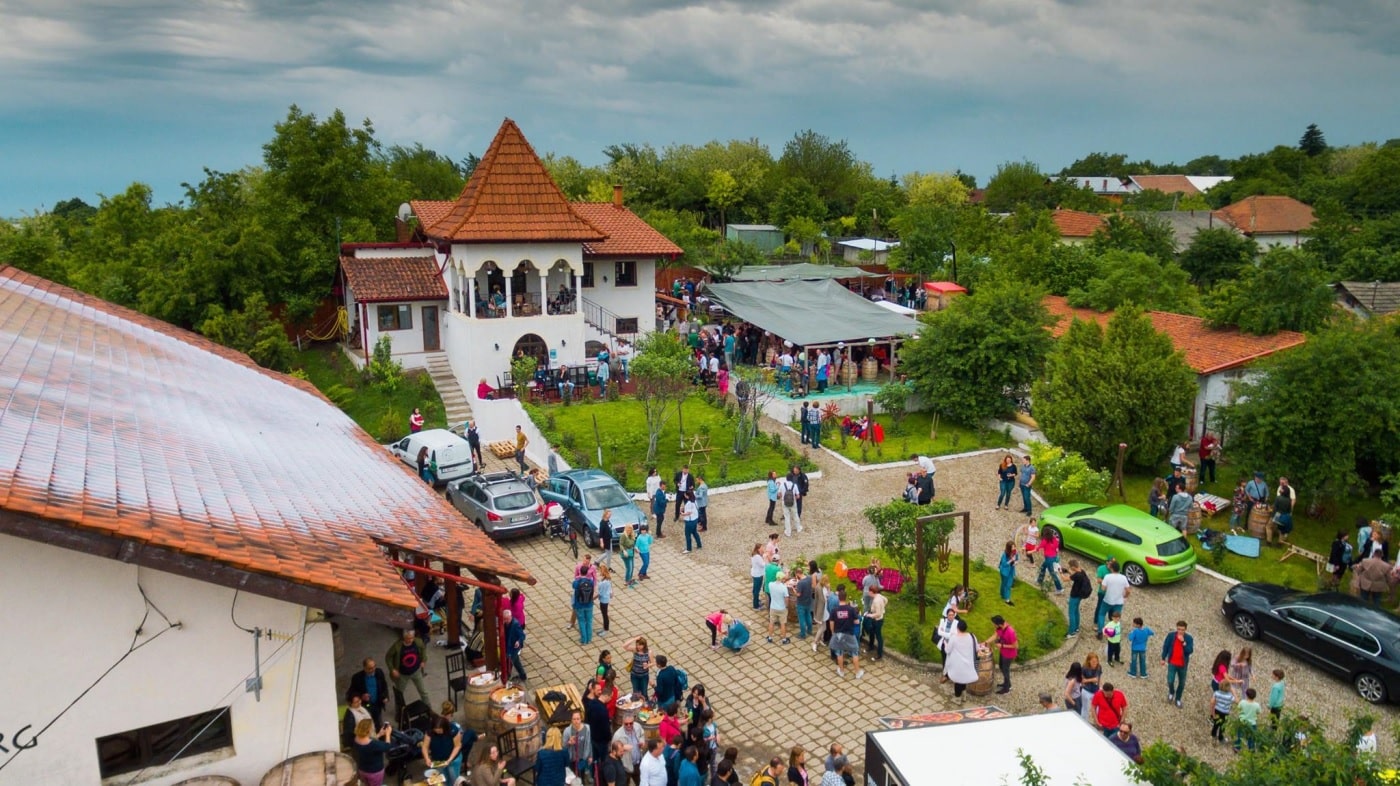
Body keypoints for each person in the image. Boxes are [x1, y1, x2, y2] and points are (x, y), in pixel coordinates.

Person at [386, 629, 430, 707]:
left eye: (412, 638)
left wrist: (423, 660)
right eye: (408, 638)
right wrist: (392, 669)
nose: (410, 640)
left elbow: (423, 649)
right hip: (402, 674)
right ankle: (400, 713)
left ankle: (429, 709)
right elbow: (388, 657)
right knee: (399, 694)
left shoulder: (418, 642)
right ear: (404, 637)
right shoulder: (397, 646)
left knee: (423, 691)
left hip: (416, 671)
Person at [829, 586, 863, 679]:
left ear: (838, 598)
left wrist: (832, 632)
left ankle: (842, 671)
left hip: (838, 634)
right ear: (846, 598)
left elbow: (831, 623)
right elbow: (856, 621)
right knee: (854, 652)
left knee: (839, 653)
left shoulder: (834, 610)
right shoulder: (851, 609)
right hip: (849, 634)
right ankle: (857, 672)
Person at [942, 619, 978, 705]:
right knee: (963, 679)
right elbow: (976, 648)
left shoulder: (954, 638)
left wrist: (945, 644)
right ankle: (964, 695)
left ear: (957, 628)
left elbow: (948, 650)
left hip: (958, 665)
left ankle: (957, 699)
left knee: (958, 681)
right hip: (968, 663)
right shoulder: (972, 636)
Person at [424, 712, 465, 786]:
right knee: (442, 779)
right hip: (438, 761)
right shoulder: (430, 731)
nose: (437, 732)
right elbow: (425, 746)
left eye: (439, 730)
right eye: (435, 730)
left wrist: (450, 759)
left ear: (445, 727)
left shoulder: (453, 729)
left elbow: (458, 746)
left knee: (454, 780)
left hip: (453, 760)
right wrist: (427, 758)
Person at [351, 718, 394, 786]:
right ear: (368, 731)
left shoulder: (356, 739)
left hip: (362, 770)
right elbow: (387, 747)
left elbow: (369, 741)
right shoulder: (374, 745)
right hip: (375, 773)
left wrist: (379, 734)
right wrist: (388, 734)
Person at [1161, 620, 1194, 708]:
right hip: (1172, 663)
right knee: (1170, 680)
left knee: (1182, 683)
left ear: (1185, 629)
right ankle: (1171, 692)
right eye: (1179, 629)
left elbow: (1190, 651)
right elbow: (1166, 646)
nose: (1180, 631)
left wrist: (1183, 642)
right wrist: (1163, 657)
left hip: (1183, 665)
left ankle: (1178, 698)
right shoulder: (1171, 636)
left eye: (1182, 630)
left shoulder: (1189, 638)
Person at [348, 657, 390, 727]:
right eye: (370, 668)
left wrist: (385, 696)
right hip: (365, 706)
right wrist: (361, 696)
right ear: (364, 668)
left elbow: (384, 686)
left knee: (378, 723)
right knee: (367, 724)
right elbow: (351, 693)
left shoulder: (379, 672)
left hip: (377, 704)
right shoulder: (357, 678)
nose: (373, 670)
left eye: (374, 667)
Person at [985, 615, 1017, 694]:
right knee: (1001, 666)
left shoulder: (1010, 632)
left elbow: (1015, 646)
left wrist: (1002, 645)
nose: (993, 625)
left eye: (994, 624)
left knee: (1005, 670)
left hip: (1009, 654)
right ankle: (1007, 683)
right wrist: (986, 642)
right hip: (1003, 652)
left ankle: (1007, 688)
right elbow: (995, 636)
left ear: (999, 624)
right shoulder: (1000, 628)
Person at [563, 711, 593, 784]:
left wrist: (590, 756)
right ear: (571, 720)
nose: (576, 721)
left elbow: (589, 743)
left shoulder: (587, 728)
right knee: (573, 777)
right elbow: (563, 746)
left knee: (581, 776)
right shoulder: (567, 731)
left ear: (581, 719)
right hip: (572, 759)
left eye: (578, 719)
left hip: (582, 758)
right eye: (574, 719)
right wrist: (569, 743)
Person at [1066, 560, 1092, 638]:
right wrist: (1068, 572)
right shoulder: (1082, 572)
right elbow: (1074, 577)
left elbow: (1065, 579)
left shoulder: (1077, 575)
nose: (1070, 568)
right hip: (1080, 595)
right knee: (1076, 611)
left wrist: (1060, 572)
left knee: (1071, 613)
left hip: (1074, 595)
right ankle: (1077, 628)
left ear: (1073, 567)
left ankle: (1071, 632)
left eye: (1070, 567)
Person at [575, 563, 598, 646]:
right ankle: (589, 638)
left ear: (580, 572)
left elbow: (573, 586)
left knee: (581, 621)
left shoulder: (577, 582)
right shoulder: (591, 582)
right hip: (589, 604)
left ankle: (583, 640)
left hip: (579, 605)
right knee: (589, 621)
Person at [863, 585, 887, 661]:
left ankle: (879, 654)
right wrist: (883, 606)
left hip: (877, 620)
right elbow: (886, 600)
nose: (868, 593)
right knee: (872, 633)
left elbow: (878, 614)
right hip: (876, 620)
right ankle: (871, 646)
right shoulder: (879, 596)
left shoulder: (876, 601)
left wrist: (870, 615)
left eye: (869, 592)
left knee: (878, 636)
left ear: (871, 592)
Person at [767, 570, 791, 644]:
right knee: (782, 624)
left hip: (773, 607)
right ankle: (784, 639)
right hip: (781, 608)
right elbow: (786, 598)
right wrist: (786, 606)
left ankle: (770, 637)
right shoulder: (783, 587)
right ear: (782, 579)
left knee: (771, 622)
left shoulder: (770, 584)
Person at [504, 608, 527, 682]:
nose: (506, 621)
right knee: (516, 662)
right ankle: (523, 675)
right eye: (505, 619)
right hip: (508, 647)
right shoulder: (505, 624)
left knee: (510, 662)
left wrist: (518, 641)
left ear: (511, 617)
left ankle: (507, 677)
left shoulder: (515, 624)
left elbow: (522, 635)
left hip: (513, 647)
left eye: (507, 619)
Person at [1037, 526, 1063, 592]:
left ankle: (1059, 588)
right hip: (1053, 557)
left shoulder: (1045, 540)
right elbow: (1057, 549)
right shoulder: (1055, 539)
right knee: (1043, 567)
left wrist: (1030, 551)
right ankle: (1039, 580)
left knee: (1052, 573)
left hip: (1048, 559)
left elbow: (1038, 547)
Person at [997, 541, 1018, 606]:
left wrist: (1016, 562)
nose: (1014, 548)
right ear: (1009, 548)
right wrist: (1011, 560)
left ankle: (1007, 599)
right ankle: (1002, 594)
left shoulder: (1015, 553)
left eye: (1014, 546)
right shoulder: (1005, 554)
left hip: (1011, 571)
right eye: (1013, 547)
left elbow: (1017, 559)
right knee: (1004, 584)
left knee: (1008, 585)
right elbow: (1004, 564)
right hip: (1004, 571)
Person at [749, 545, 766, 610]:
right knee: (757, 590)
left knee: (755, 588)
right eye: (762, 548)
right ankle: (756, 605)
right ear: (758, 549)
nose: (763, 549)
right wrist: (764, 559)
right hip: (758, 575)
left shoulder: (754, 554)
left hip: (755, 573)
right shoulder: (758, 557)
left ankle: (757, 600)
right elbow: (762, 565)